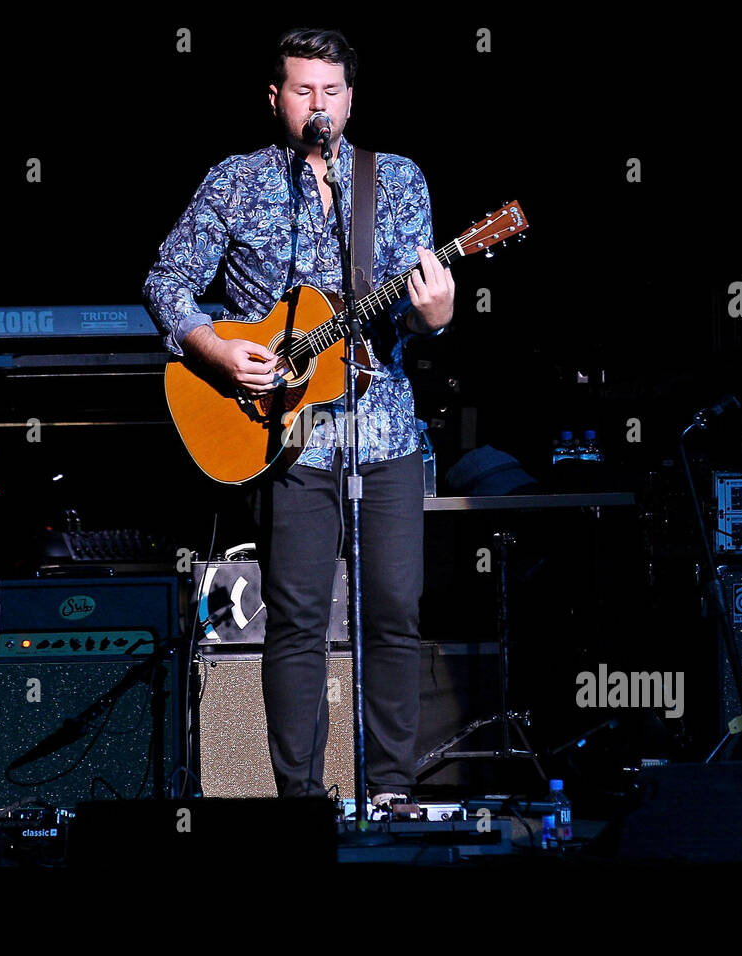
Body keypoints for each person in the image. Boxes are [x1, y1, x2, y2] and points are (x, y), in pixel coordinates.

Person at [144, 27, 454, 807]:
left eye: (333, 91)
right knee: (298, 621)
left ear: (352, 98)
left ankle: (389, 794)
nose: (319, 105)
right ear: (276, 98)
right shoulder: (237, 181)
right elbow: (166, 283)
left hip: (382, 431)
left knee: (393, 613)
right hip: (286, 436)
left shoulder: (397, 179)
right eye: (303, 90)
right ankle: (300, 803)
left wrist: (435, 316)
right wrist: (216, 351)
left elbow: (411, 312)